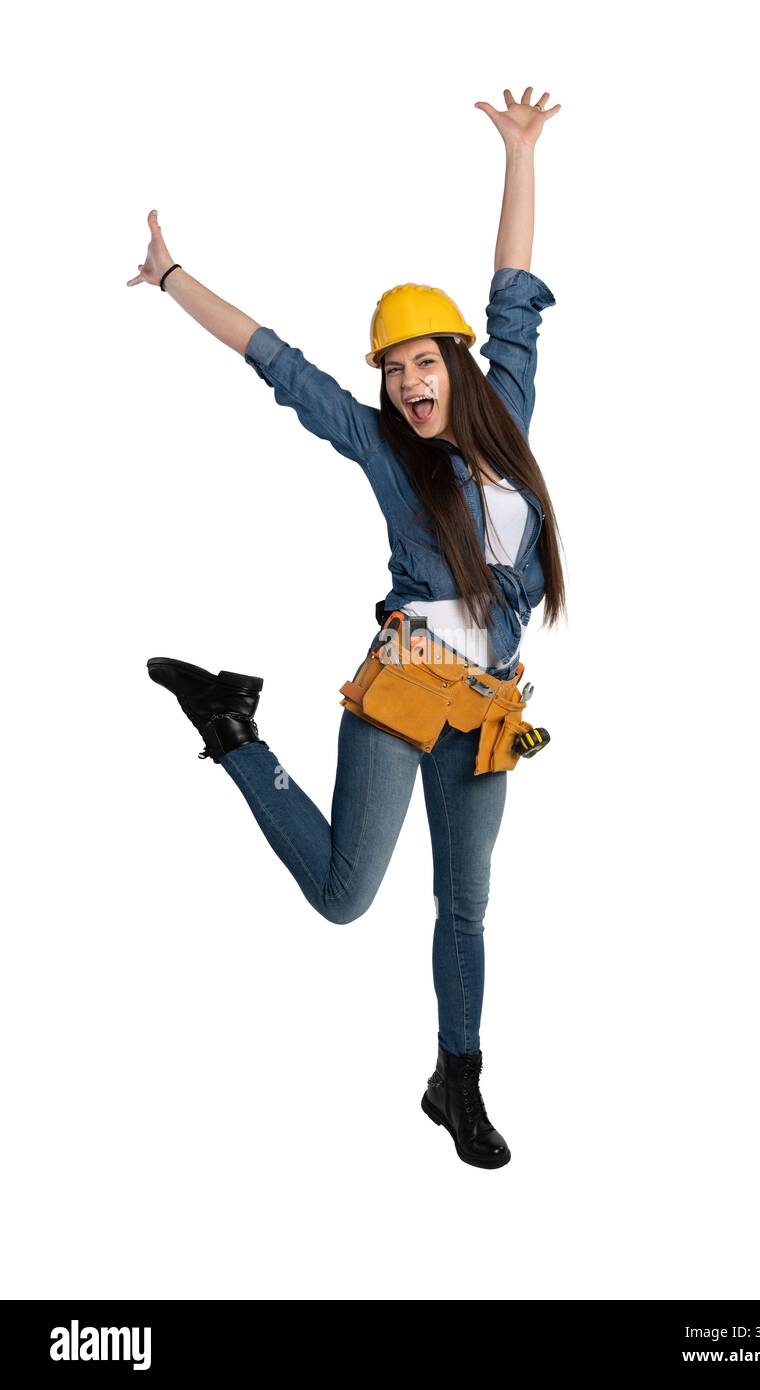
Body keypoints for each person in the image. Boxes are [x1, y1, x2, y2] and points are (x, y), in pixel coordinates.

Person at [128, 86, 566, 1170]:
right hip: (404, 691)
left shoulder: (506, 406)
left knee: (464, 908)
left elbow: (513, 288)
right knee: (343, 898)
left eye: (424, 362)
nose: (408, 381)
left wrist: (519, 151)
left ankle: (454, 1082)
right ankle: (233, 729)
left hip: (486, 714)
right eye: (394, 369)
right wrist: (174, 277)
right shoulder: (382, 448)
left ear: (455, 367)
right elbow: (276, 363)